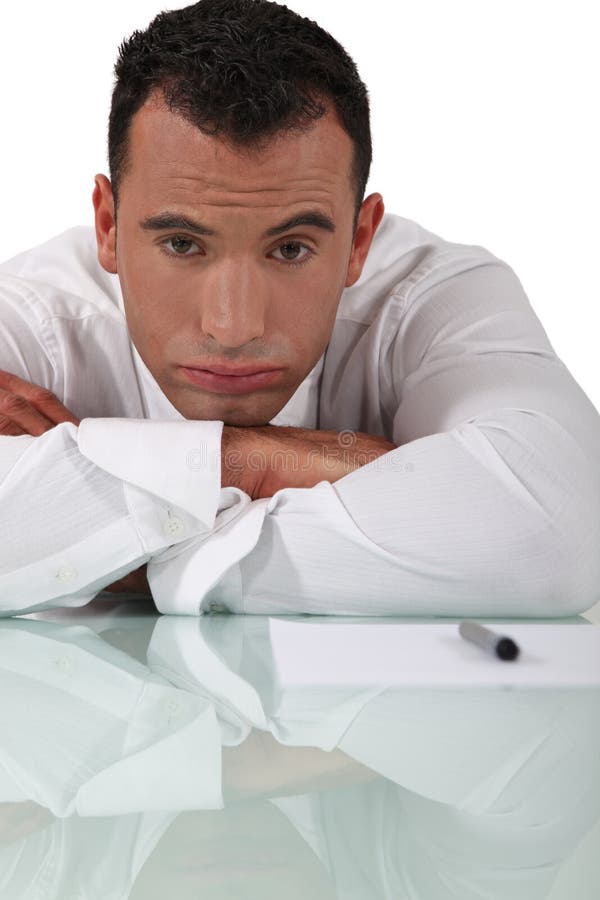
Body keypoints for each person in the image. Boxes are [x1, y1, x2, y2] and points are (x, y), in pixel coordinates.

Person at [1, 0, 599, 618]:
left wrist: (233, 466)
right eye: (182, 244)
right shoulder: (36, 313)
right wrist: (291, 470)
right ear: (108, 224)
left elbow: (561, 530)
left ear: (360, 240)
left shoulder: (434, 294)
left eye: (290, 248)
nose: (233, 327)